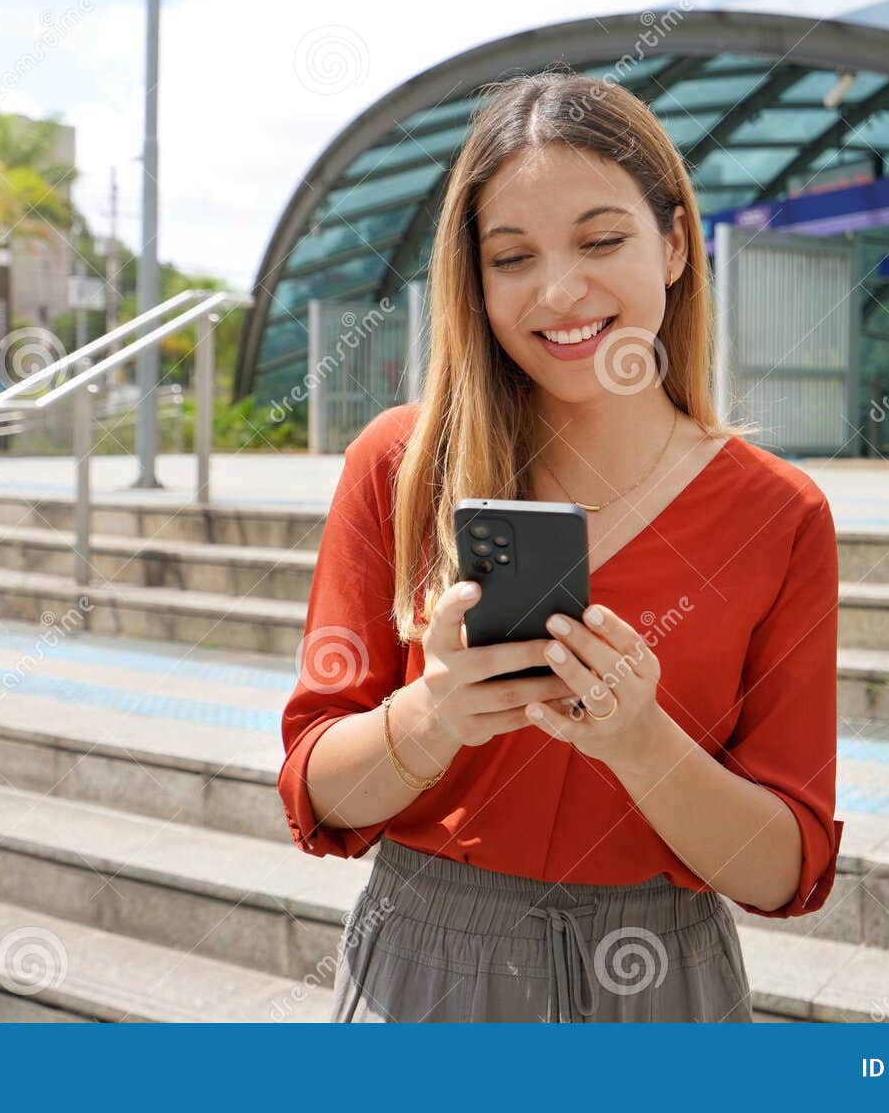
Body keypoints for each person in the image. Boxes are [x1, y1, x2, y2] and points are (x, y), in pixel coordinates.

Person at [277, 69, 842, 1023]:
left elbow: (785, 865)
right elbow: (316, 794)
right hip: (428, 974)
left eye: (601, 240)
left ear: (673, 244)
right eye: (512, 257)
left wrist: (640, 742)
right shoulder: (402, 464)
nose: (560, 291)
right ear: (476, 281)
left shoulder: (779, 514)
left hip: (666, 985)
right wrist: (435, 715)